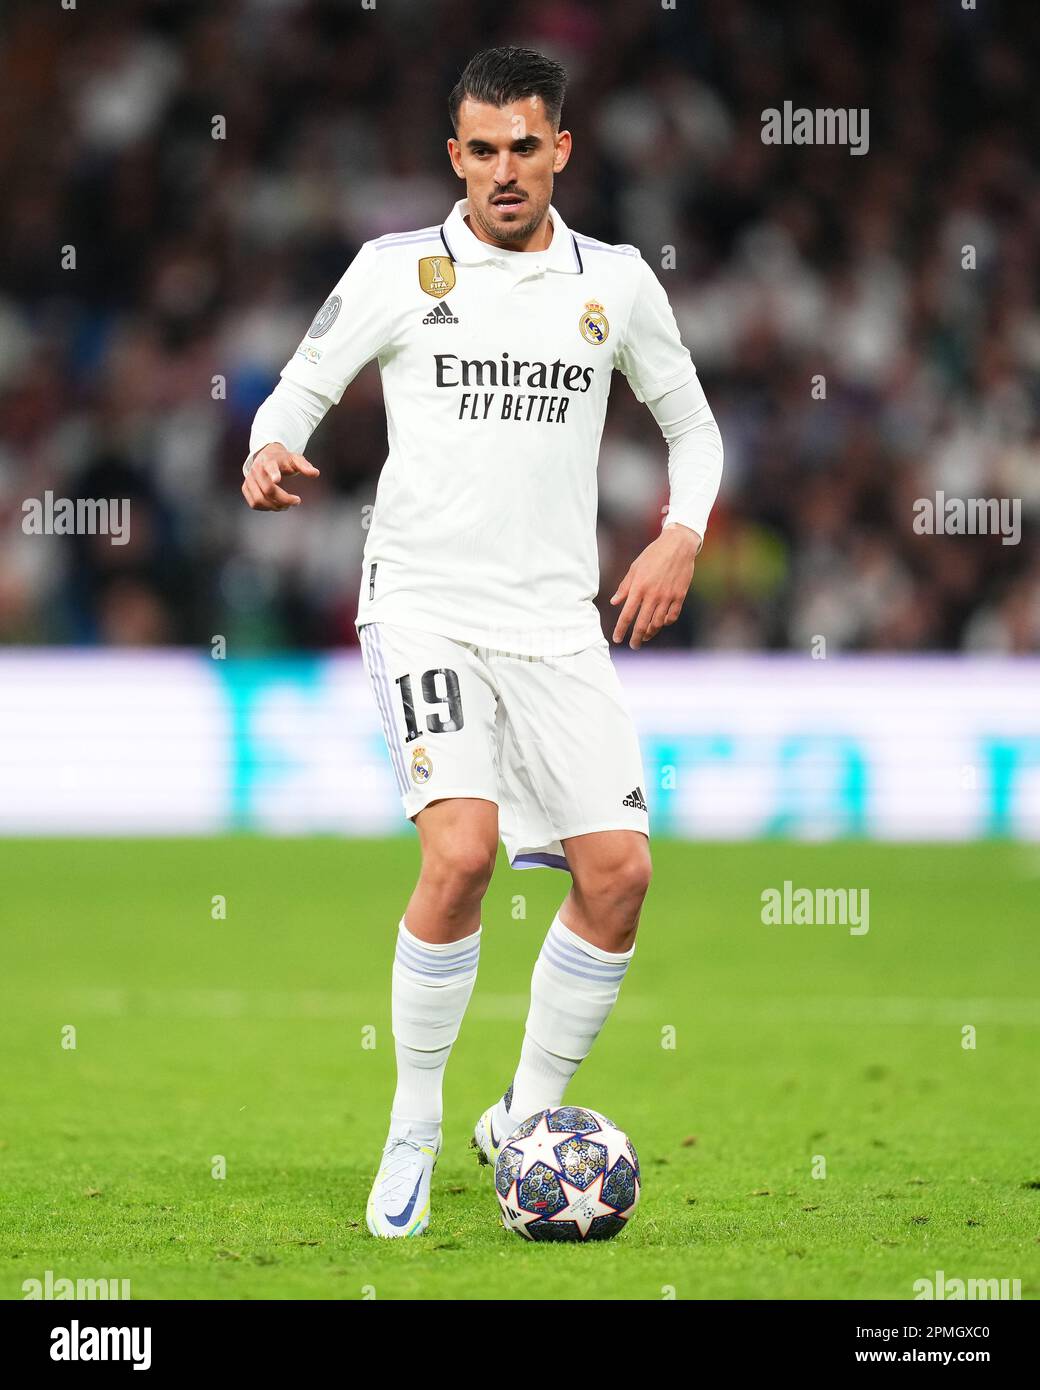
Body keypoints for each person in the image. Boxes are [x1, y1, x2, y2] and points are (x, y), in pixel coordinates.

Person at [242, 46, 723, 1238]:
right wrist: (265, 445)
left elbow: (692, 422)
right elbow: (297, 387)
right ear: (451, 155)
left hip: (555, 620)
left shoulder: (613, 284)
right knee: (456, 854)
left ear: (560, 149)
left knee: (620, 878)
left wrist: (679, 533)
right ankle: (412, 1123)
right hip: (423, 602)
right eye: (481, 149)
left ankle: (525, 1120)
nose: (503, 171)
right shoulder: (395, 270)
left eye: (525, 146)